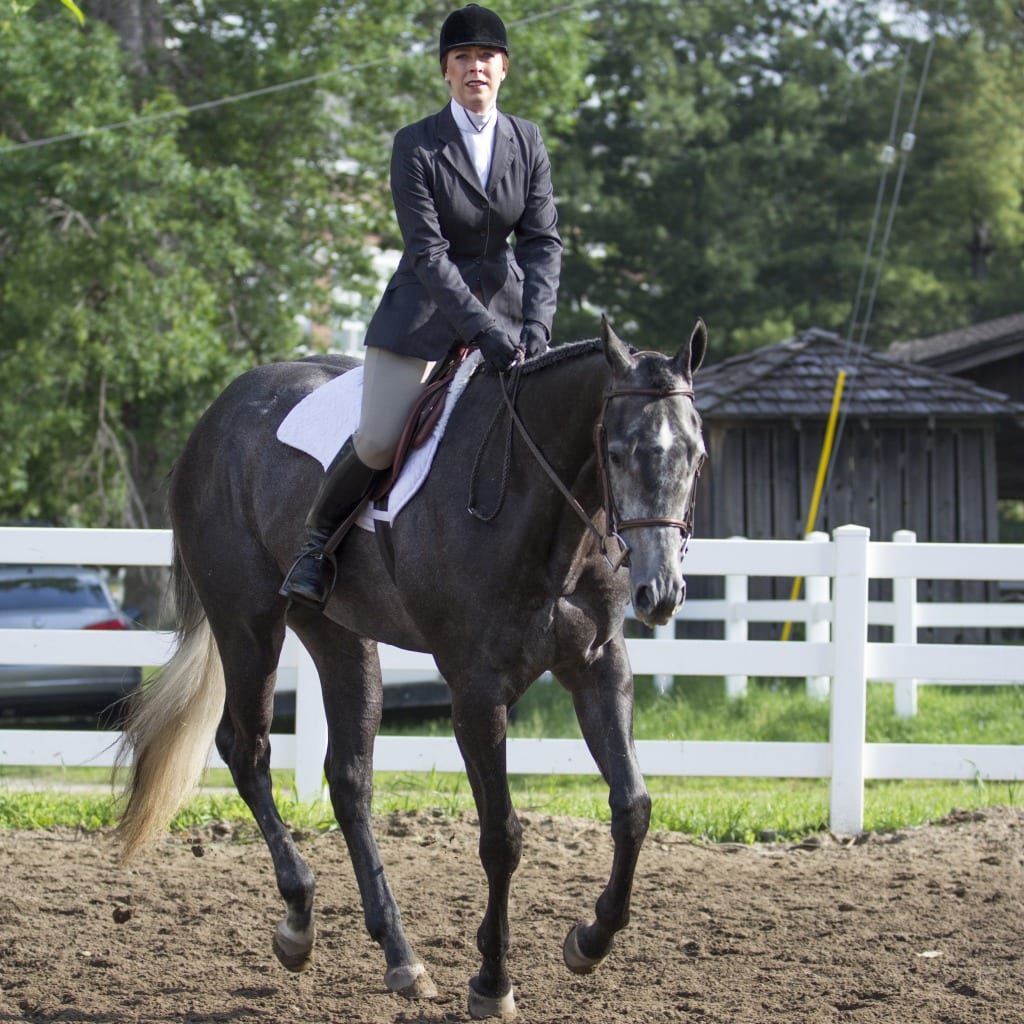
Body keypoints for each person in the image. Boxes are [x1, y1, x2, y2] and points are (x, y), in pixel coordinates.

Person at [280, 3, 563, 610]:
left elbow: (541, 241)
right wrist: (481, 329)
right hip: (422, 313)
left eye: (485, 57)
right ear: (446, 72)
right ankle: (315, 546)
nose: (475, 68)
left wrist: (537, 321)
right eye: (462, 58)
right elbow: (429, 253)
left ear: (504, 68)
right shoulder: (416, 144)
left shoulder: (527, 140)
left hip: (511, 316)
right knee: (381, 439)